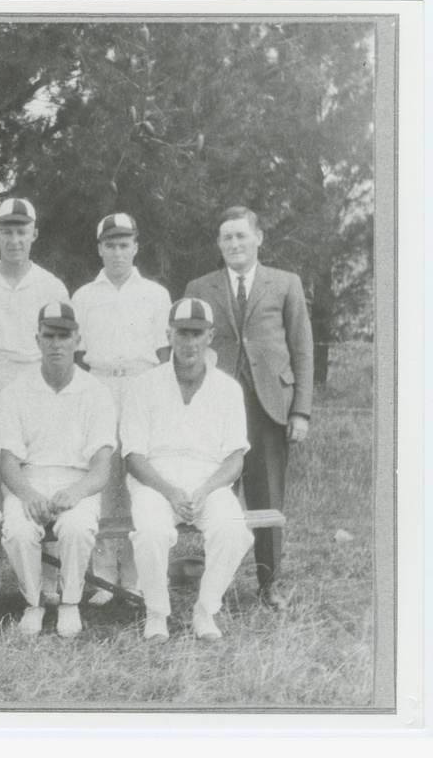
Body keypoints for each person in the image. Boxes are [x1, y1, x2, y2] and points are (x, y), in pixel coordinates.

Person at [184, 206, 314, 611]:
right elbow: (186, 347)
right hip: (216, 408)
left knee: (267, 495)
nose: (235, 244)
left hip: (268, 406)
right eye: (227, 237)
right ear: (218, 244)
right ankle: (213, 582)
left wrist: (300, 411)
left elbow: (302, 349)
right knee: (215, 493)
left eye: (242, 235)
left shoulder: (286, 283)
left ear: (258, 238)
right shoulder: (200, 287)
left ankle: (268, 583)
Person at [121, 298, 255, 642]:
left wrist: (206, 490)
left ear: (210, 336)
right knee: (151, 531)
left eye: (197, 333)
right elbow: (133, 456)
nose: (189, 342)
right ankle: (156, 612)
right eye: (182, 333)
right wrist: (170, 492)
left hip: (208, 482)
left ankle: (205, 611)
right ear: (169, 334)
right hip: (155, 482)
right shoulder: (144, 385)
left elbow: (235, 458)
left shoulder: (228, 389)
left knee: (233, 529)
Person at [0, 198, 69, 600]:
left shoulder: (51, 286)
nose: (15, 239)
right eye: (7, 231)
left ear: (34, 233)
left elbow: (62, 343)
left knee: (41, 471)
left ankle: (48, 581)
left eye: (22, 231)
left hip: (37, 378)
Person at [0, 302, 116, 638]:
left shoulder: (96, 392)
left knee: (77, 527)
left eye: (64, 336)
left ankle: (70, 602)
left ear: (77, 339)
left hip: (77, 480)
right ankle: (33, 603)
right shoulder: (15, 391)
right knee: (17, 531)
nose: (56, 344)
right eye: (49, 336)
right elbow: (8, 462)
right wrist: (28, 494)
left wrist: (76, 492)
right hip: (29, 479)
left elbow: (101, 468)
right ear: (37, 339)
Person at [70, 212, 172, 604]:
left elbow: (164, 354)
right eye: (110, 245)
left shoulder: (155, 295)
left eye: (124, 244)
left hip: (141, 384)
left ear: (136, 246)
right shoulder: (83, 296)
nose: (117, 253)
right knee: (102, 473)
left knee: (138, 476)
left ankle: (133, 576)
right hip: (98, 384)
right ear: (99, 248)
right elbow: (77, 355)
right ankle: (102, 575)